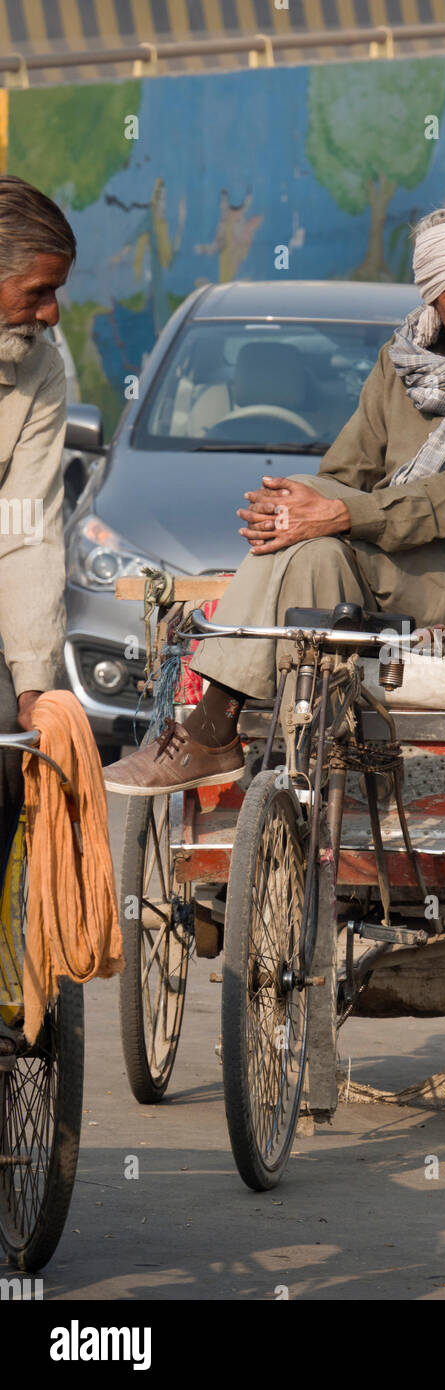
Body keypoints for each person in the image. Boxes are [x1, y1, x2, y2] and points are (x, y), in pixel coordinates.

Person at [104, 197, 445, 795]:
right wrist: (297, 506)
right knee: (303, 523)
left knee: (317, 540)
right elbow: (347, 470)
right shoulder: (403, 357)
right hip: (399, 558)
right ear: (432, 290)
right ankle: (268, 747)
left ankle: (211, 732)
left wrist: (336, 513)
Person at [0, 175, 76, 1052]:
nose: (52, 312)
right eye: (39, 291)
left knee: (10, 763)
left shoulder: (42, 368)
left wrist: (32, 681)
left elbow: (25, 530)